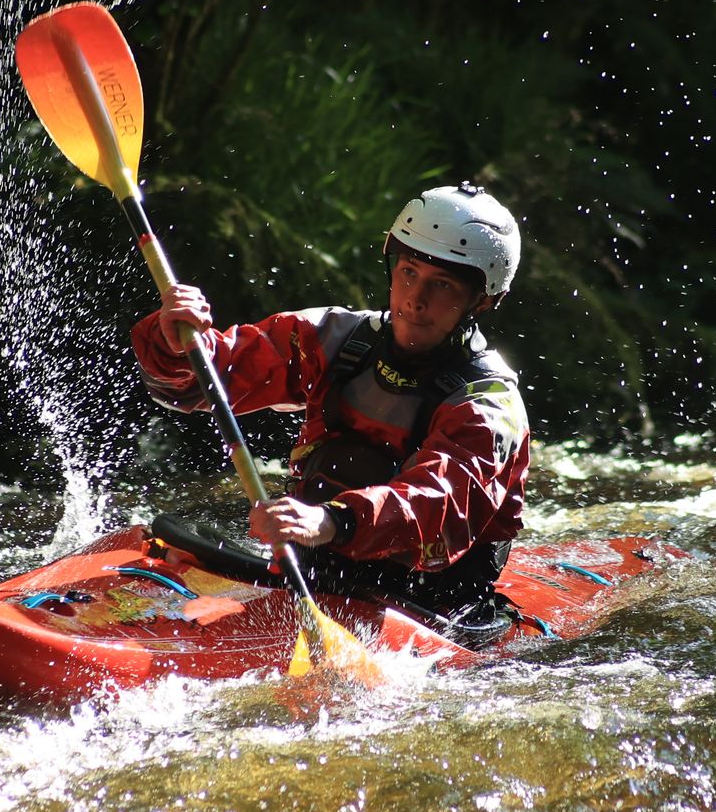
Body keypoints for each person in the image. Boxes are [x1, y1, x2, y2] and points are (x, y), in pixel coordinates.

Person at [130, 183, 531, 642]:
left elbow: (436, 502)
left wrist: (332, 521)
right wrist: (179, 343)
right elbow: (201, 387)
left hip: (427, 600)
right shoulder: (336, 338)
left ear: (481, 301)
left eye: (442, 285)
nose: (415, 298)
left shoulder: (487, 404)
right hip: (317, 563)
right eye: (409, 271)